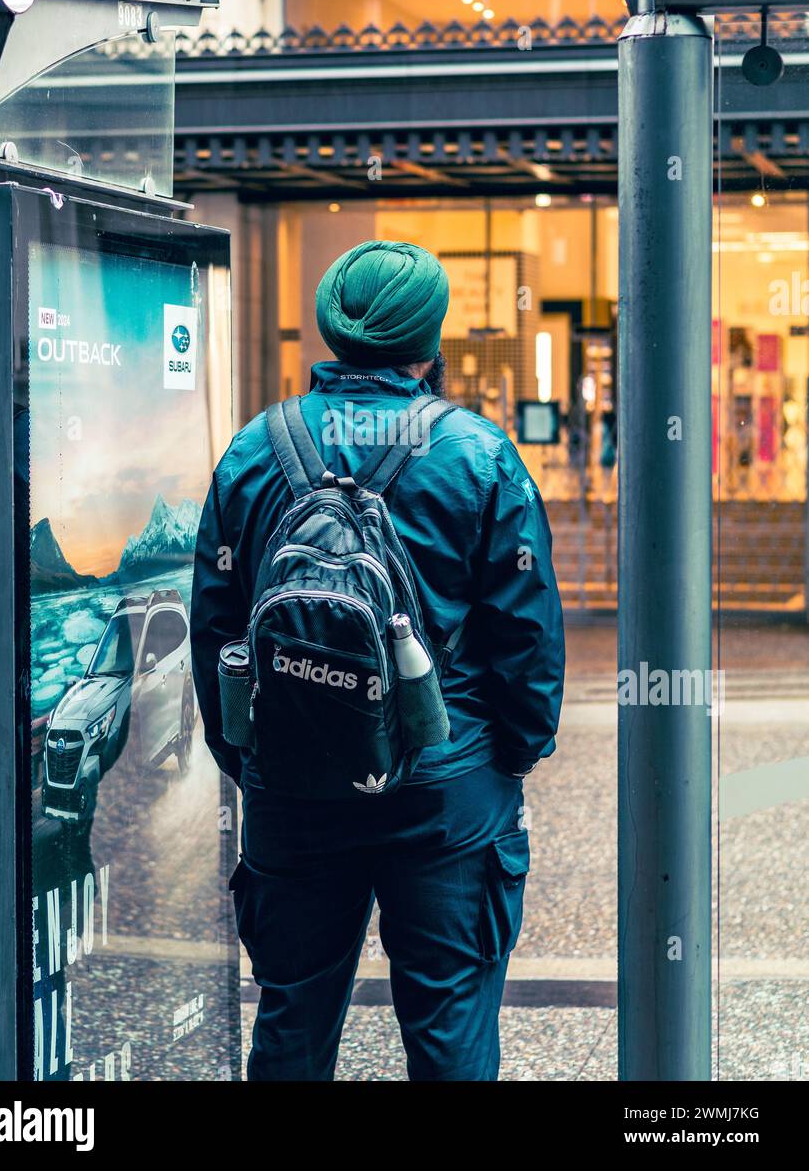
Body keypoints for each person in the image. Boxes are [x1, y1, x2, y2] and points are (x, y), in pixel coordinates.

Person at [190, 239, 564, 1081]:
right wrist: (512, 755)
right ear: (431, 340)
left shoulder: (254, 449)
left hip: (292, 786)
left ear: (331, 330)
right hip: (446, 789)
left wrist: (251, 758)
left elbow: (215, 631)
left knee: (289, 1022)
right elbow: (527, 638)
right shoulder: (478, 454)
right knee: (449, 1025)